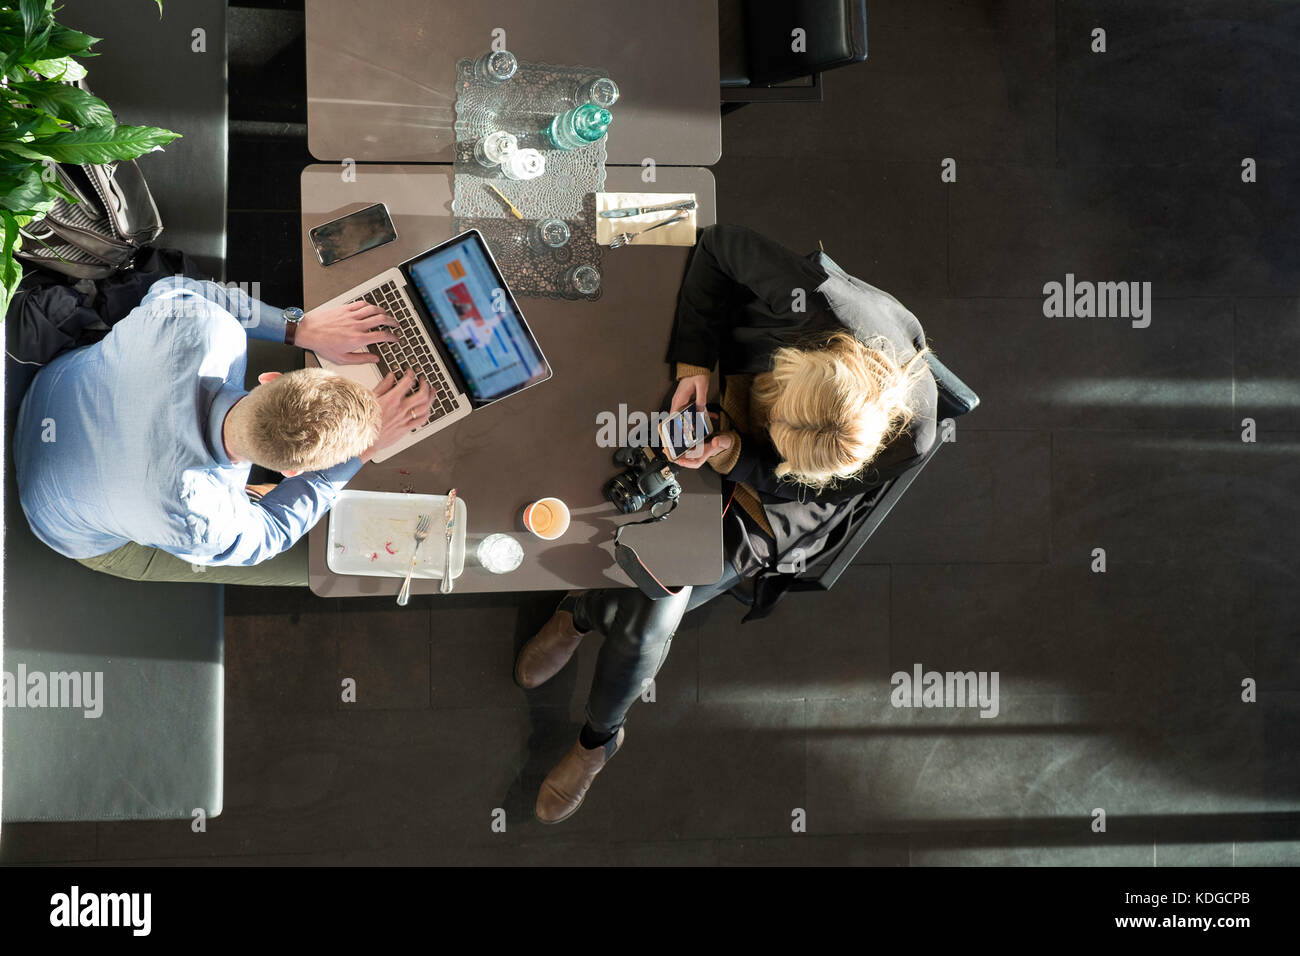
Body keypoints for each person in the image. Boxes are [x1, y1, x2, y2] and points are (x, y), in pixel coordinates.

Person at [513, 224, 940, 823]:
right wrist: (695, 369)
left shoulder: (910, 441)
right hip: (734, 399)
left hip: (781, 491)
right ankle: (584, 615)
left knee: (652, 610)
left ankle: (596, 730)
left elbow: (801, 483)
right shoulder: (814, 299)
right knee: (621, 519)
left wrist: (740, 457)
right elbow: (716, 248)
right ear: (797, 364)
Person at [13, 275, 435, 585]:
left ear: (270, 378)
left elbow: (180, 289)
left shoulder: (201, 326)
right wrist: (357, 454)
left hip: (46, 390)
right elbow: (270, 535)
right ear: (289, 472)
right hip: (55, 522)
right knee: (298, 559)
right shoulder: (203, 524)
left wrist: (298, 328)